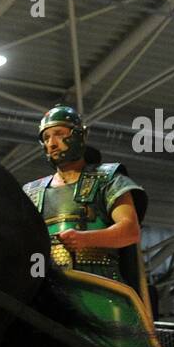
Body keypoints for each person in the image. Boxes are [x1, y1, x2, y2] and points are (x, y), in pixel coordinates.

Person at [21, 105, 150, 304]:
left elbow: (130, 231)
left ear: (80, 134)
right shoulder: (31, 192)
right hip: (47, 288)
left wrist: (85, 239)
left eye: (58, 134)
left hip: (101, 288)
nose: (51, 144)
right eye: (46, 138)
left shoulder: (108, 178)